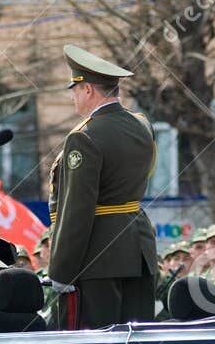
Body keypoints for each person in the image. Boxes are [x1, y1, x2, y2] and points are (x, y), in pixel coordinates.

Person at [46, 45, 158, 328]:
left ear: (88, 90)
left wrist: (61, 270)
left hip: (96, 257)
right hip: (138, 248)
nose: (72, 97)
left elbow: (76, 210)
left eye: (74, 89)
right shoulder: (141, 124)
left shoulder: (84, 137)